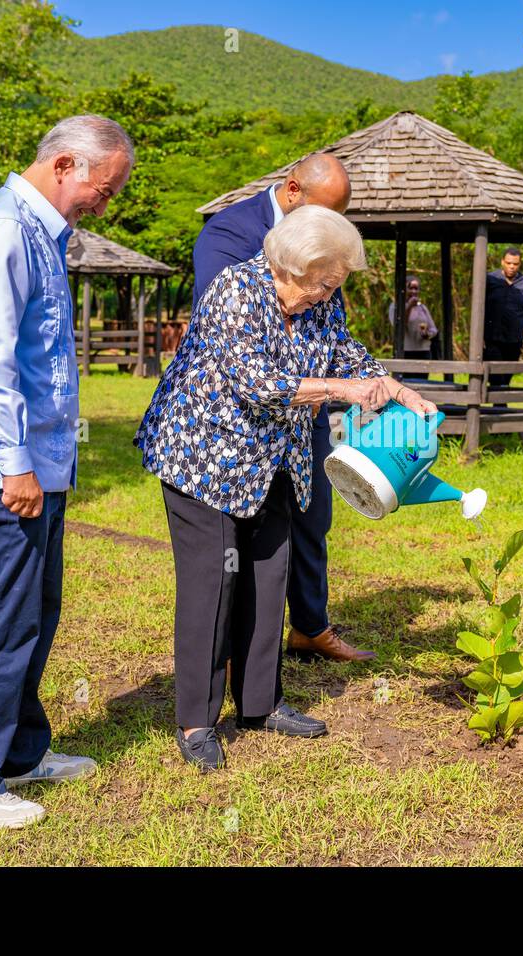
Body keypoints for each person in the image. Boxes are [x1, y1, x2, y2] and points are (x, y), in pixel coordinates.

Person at [136, 205, 437, 772]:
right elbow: (254, 383)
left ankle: (260, 703)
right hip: (205, 455)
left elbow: (346, 352)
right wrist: (341, 390)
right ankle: (198, 721)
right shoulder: (236, 288)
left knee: (268, 576)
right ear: (293, 266)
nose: (329, 295)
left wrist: (395, 389)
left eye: (336, 286)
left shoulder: (321, 300)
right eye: (325, 283)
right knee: (214, 582)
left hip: (276, 459)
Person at [0, 115, 134, 829]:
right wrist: (15, 466)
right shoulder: (5, 230)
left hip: (38, 468)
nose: (101, 205)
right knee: (1, 625)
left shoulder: (42, 233)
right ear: (67, 164)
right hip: (0, 472)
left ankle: (17, 753)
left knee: (36, 616)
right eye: (101, 191)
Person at [192, 153, 376, 663]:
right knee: (244, 545)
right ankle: (233, 646)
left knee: (313, 515)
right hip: (239, 422)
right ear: (293, 190)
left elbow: (331, 328)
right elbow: (231, 341)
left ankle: (310, 625)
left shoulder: (323, 245)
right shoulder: (229, 236)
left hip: (305, 406)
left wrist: (377, 383)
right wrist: (321, 385)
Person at [484, 247, 523, 391]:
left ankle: (498, 409)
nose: (511, 267)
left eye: (515, 264)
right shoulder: (490, 280)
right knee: (496, 379)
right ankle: (500, 409)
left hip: (514, 341)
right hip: (492, 340)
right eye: (508, 263)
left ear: (519, 264)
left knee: (506, 379)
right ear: (502, 262)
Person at [388, 274, 437, 359]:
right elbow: (399, 326)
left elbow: (433, 329)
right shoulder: (396, 307)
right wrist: (409, 306)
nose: (414, 291)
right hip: (405, 352)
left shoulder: (422, 307)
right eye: (410, 288)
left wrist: (427, 335)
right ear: (404, 289)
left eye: (416, 289)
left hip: (424, 352)